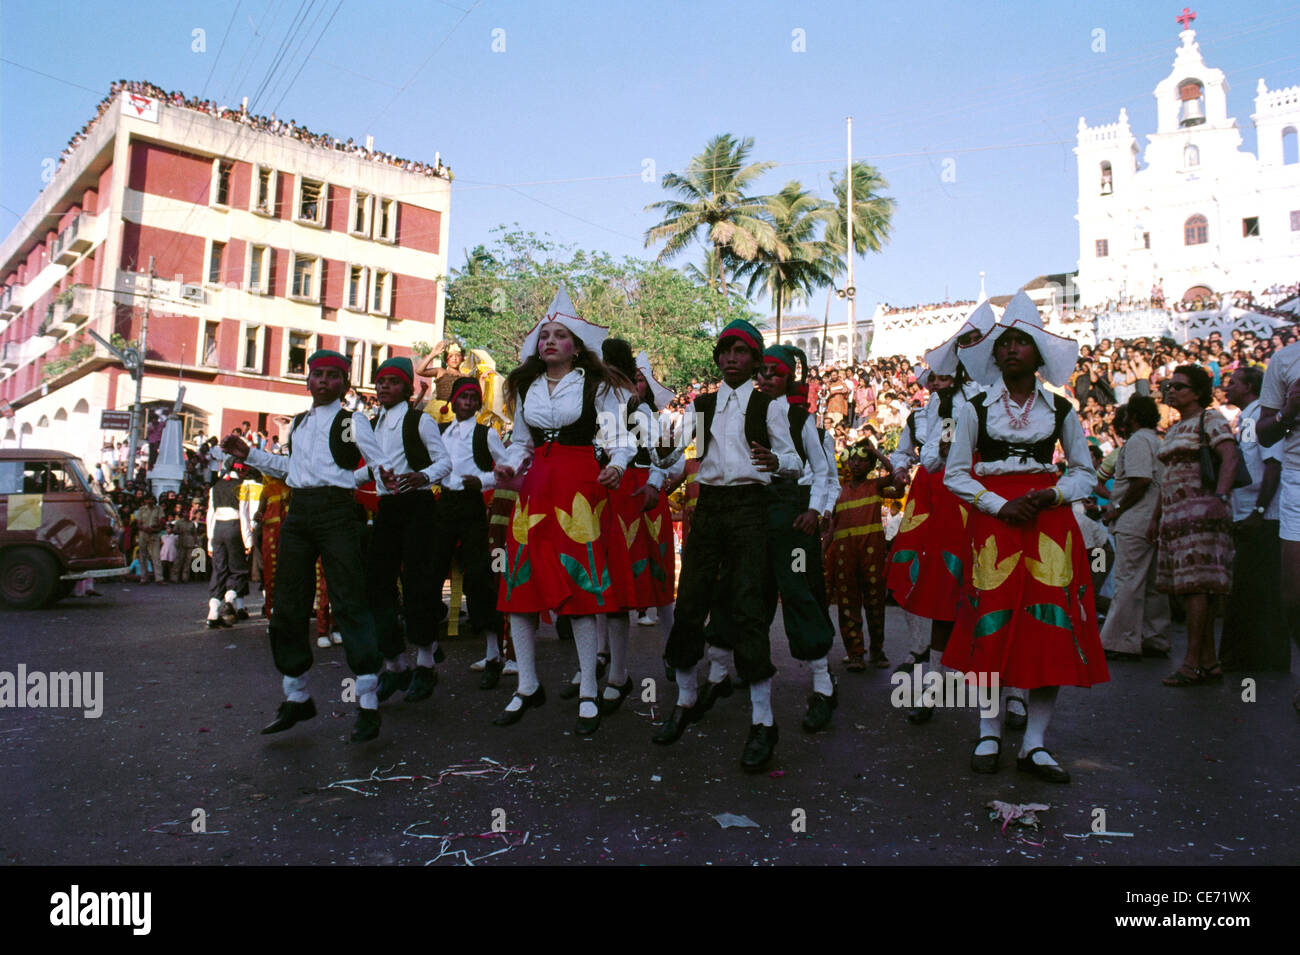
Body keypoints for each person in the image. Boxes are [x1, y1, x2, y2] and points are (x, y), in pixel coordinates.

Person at [943, 291, 1107, 784]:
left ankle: (1035, 742)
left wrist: (1052, 497)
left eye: (1022, 342)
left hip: (1047, 526)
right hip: (996, 524)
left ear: (1037, 354)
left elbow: (1084, 473)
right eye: (1005, 343)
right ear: (994, 355)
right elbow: (956, 475)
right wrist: (1000, 504)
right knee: (992, 622)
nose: (1012, 349)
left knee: (1048, 628)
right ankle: (989, 730)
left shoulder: (1061, 410)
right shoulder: (971, 406)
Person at [223, 349, 389, 744]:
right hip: (299, 513)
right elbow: (291, 469)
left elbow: (380, 463)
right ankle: (296, 695)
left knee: (349, 600)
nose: (324, 381)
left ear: (345, 384)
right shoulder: (297, 424)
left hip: (336, 512)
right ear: (308, 381)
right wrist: (251, 456)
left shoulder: (354, 421)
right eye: (318, 375)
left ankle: (367, 703)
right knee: (287, 601)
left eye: (334, 376)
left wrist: (355, 481)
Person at [490, 287, 635, 736]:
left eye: (560, 335)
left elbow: (621, 440)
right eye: (544, 335)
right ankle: (528, 684)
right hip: (534, 490)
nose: (549, 341)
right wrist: (509, 465)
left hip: (580, 487)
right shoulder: (527, 387)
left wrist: (615, 466)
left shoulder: (598, 386)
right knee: (520, 582)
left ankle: (589, 688)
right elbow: (521, 443)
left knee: (582, 586)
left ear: (576, 346)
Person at [657, 319, 800, 771]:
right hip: (712, 507)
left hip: (751, 508)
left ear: (756, 360)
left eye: (741, 351)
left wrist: (778, 461)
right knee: (690, 601)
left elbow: (794, 461)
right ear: (718, 358)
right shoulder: (703, 404)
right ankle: (684, 699)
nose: (731, 358)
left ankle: (762, 721)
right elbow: (672, 453)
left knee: (747, 607)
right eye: (726, 351)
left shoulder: (769, 405)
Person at [363, 357, 452, 705]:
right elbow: (370, 470)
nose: (384, 386)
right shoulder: (370, 425)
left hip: (417, 506)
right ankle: (394, 663)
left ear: (407, 388)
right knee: (377, 585)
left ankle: (426, 664)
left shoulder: (420, 421)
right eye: (380, 381)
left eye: (392, 381)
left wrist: (424, 476)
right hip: (387, 509)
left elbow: (444, 461)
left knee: (419, 584)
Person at [1152, 364, 1240, 687]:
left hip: (1203, 513)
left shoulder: (1211, 419)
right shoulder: (1174, 428)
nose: (1171, 391)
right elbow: (1166, 480)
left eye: (1179, 386)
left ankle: (1191, 664)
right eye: (1169, 386)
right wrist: (1156, 517)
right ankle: (1208, 661)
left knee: (1196, 587)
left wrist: (1220, 497)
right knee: (1191, 588)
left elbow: (1229, 457)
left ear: (1198, 393)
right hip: (1176, 517)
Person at [429, 376, 508, 690]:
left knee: (479, 578)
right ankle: (427, 646)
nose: (469, 403)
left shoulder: (486, 434)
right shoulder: (440, 432)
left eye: (474, 398)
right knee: (432, 571)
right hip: (444, 505)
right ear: (454, 401)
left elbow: (506, 471)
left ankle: (492, 654)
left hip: (471, 506)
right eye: (464, 397)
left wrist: (484, 481)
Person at [1220, 366, 1286, 671]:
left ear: (1248, 387)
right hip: (1250, 515)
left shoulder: (1261, 416)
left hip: (1262, 518)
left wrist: (1259, 512)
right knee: (1251, 589)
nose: (1226, 386)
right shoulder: (1246, 416)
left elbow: (1272, 466)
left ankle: (1261, 660)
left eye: (1232, 382)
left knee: (1259, 589)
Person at [1098, 396, 1171, 661]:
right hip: (1152, 518)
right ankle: (1155, 637)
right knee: (1152, 583)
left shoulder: (1138, 441)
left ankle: (1121, 641)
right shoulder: (1156, 440)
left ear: (1134, 417)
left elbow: (1140, 481)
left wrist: (1116, 507)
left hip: (1135, 519)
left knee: (1128, 580)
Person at [825, 441, 901, 671]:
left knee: (875, 603)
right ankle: (855, 654)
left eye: (861, 460)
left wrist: (876, 452)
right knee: (847, 604)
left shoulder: (877, 486)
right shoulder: (838, 491)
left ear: (870, 465)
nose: (855, 464)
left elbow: (897, 481)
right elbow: (830, 526)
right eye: (853, 459)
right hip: (843, 553)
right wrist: (822, 552)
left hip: (872, 554)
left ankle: (877, 651)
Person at [206, 462, 252, 627]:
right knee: (237, 568)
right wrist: (248, 540)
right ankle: (229, 600)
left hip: (218, 528)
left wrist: (210, 542)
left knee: (219, 569)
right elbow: (244, 516)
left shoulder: (215, 487)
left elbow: (210, 515)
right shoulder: (242, 486)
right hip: (234, 526)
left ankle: (212, 613)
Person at [134, 494, 167, 584]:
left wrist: (155, 529)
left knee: (156, 556)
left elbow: (162, 521)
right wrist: (145, 529)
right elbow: (138, 523)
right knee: (142, 556)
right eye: (148, 499)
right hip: (143, 533)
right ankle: (144, 578)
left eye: (152, 499)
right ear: (145, 501)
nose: (150, 501)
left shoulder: (158, 509)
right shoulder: (141, 509)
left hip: (154, 534)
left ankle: (159, 578)